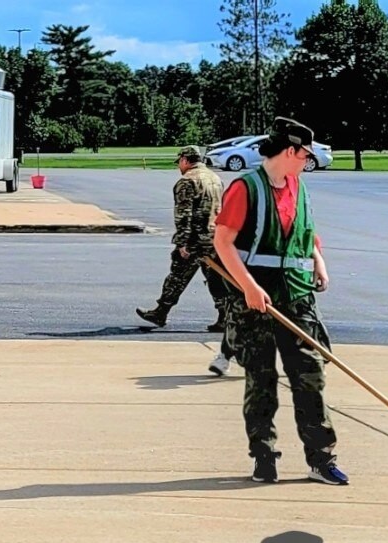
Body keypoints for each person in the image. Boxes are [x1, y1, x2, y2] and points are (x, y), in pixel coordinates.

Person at [212, 117, 347, 486]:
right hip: (256, 299)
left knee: (310, 377)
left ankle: (321, 459)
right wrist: (249, 288)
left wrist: (318, 262)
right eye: (305, 154)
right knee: (261, 379)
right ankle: (264, 457)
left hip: (297, 294)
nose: (308, 161)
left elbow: (307, 231)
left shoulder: (298, 186)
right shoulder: (246, 188)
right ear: (290, 151)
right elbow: (223, 242)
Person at [136, 145, 224, 330]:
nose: (179, 166)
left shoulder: (187, 181)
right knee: (217, 278)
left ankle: (161, 312)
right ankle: (225, 316)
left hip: (194, 240)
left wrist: (183, 242)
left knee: (177, 275)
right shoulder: (215, 178)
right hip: (215, 237)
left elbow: (184, 215)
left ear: (185, 160)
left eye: (180, 162)